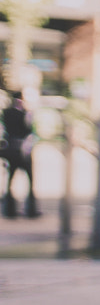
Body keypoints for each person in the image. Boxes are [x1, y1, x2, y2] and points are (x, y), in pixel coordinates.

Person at [1, 90, 36, 220]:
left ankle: (10, 210)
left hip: (10, 148)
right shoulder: (25, 113)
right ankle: (31, 210)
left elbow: (3, 130)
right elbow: (29, 132)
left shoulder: (6, 113)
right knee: (30, 179)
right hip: (23, 149)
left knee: (10, 179)